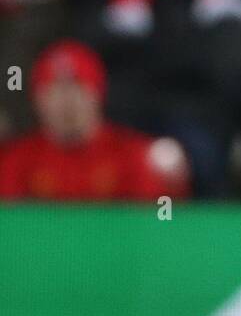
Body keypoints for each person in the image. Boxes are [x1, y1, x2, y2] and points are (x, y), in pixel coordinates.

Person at [0, 39, 189, 201]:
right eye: (54, 89)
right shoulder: (16, 160)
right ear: (37, 99)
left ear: (98, 93)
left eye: (78, 87)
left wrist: (173, 186)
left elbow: (156, 227)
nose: (68, 100)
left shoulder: (134, 155)